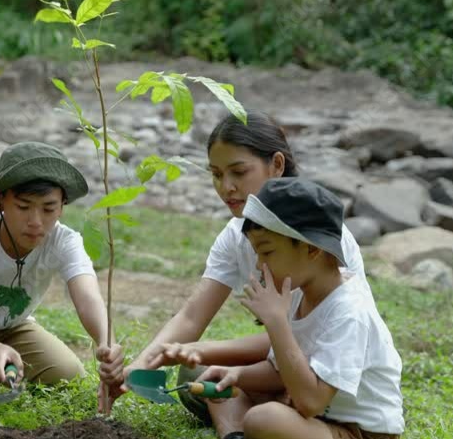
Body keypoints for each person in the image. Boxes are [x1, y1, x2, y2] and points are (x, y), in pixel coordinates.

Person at [121, 111, 371, 423]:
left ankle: (272, 419)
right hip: (282, 358)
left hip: (319, 369)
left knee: (208, 366)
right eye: (216, 174)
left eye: (239, 172)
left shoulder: (319, 239)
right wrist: (142, 365)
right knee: (195, 369)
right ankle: (246, 432)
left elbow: (309, 338)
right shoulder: (235, 235)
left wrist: (208, 348)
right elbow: (192, 314)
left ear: (277, 165)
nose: (227, 187)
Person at [155, 178, 403, 439]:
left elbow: (311, 401)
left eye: (267, 252)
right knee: (208, 372)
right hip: (304, 410)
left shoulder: (349, 311)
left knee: (264, 420)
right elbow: (278, 372)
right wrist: (238, 375)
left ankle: (255, 438)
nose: (259, 264)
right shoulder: (301, 292)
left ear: (312, 250)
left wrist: (276, 321)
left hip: (356, 437)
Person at [0, 142, 124, 413]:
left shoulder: (65, 240)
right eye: (24, 206)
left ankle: (9, 365)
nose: (36, 221)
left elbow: (88, 296)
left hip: (14, 327)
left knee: (69, 374)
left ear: (62, 206)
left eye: (49, 209)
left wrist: (106, 342)